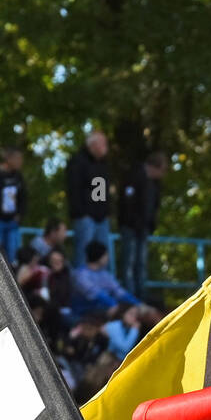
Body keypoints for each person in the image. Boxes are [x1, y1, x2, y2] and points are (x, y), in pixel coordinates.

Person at [117, 150, 165, 298]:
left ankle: (141, 295)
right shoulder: (134, 176)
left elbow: (153, 206)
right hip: (131, 227)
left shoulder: (154, 184)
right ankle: (130, 296)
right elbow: (126, 202)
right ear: (156, 167)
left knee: (141, 263)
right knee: (130, 263)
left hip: (143, 228)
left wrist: (150, 224)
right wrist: (132, 222)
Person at [66, 130, 112, 269]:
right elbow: (74, 189)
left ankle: (100, 288)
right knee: (83, 254)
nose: (105, 147)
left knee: (103, 256)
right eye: (102, 143)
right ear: (92, 145)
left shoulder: (103, 165)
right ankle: (81, 287)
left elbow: (104, 190)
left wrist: (105, 211)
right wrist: (81, 213)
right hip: (85, 218)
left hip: (101, 218)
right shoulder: (78, 162)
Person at [72, 239, 138, 312]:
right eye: (106, 255)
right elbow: (96, 294)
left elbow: (119, 291)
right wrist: (115, 306)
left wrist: (139, 305)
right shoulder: (81, 274)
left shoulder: (104, 274)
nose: (108, 258)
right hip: (83, 313)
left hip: (102, 311)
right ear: (99, 256)